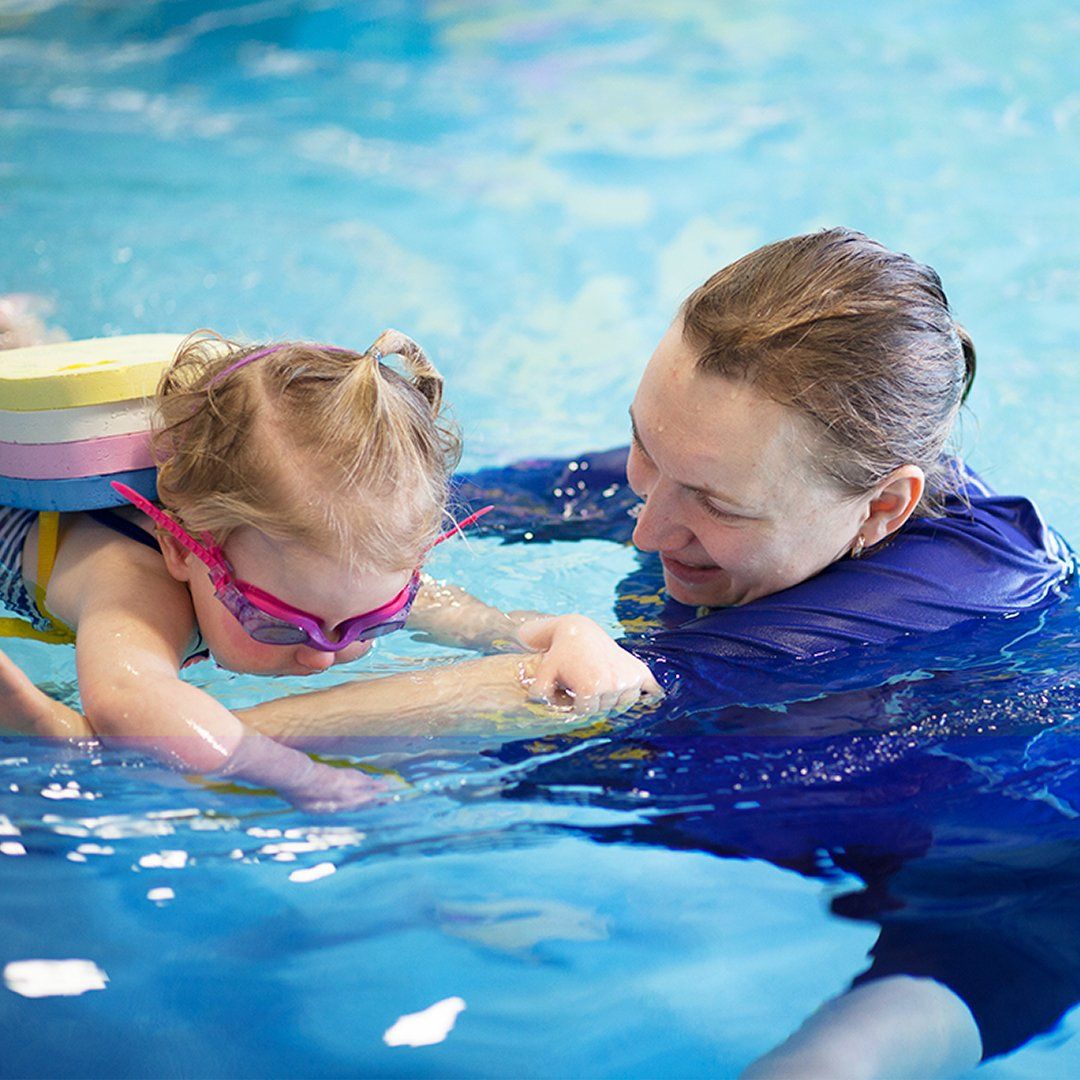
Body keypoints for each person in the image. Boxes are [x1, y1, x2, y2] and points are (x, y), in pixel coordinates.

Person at [3, 228, 1074, 1072]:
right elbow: (388, 515)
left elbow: (563, 698)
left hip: (998, 883)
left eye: (711, 505)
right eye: (647, 447)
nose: (648, 522)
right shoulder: (741, 454)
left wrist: (173, 741)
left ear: (881, 510)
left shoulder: (932, 598)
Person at [0, 328, 659, 811]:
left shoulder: (330, 571)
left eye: (376, 619)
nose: (326, 655)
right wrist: (297, 776)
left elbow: (477, 621)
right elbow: (128, 702)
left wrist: (565, 632)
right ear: (184, 547)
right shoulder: (135, 582)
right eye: (279, 621)